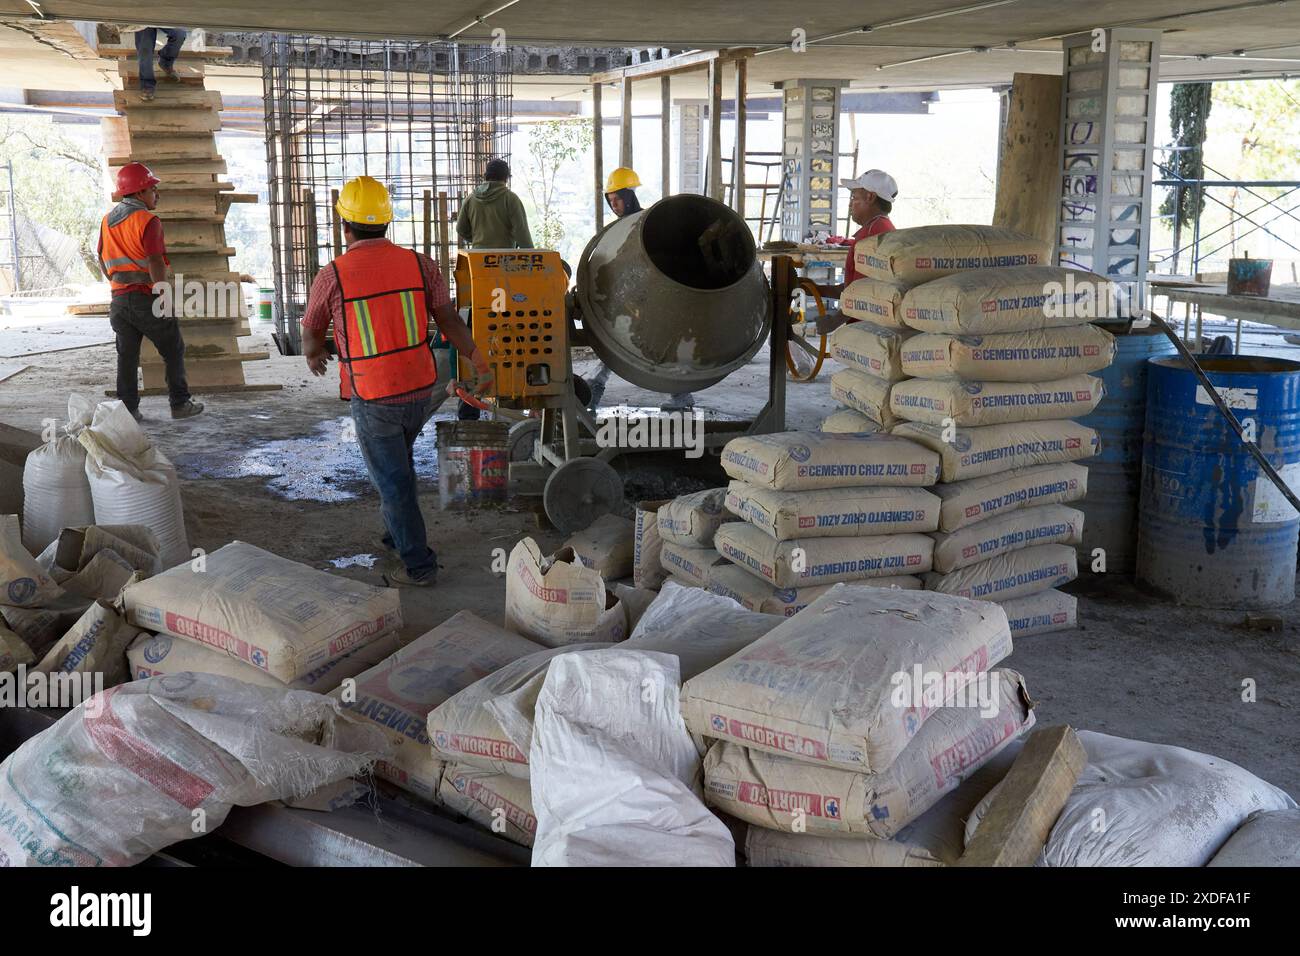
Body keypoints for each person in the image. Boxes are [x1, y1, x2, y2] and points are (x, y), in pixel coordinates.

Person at [301, 176, 490, 589]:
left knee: (393, 480)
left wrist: (315, 353)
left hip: (374, 396)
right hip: (421, 390)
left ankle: (418, 565)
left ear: (343, 226)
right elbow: (450, 319)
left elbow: (312, 329)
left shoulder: (332, 274)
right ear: (388, 223)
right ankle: (395, 533)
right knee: (397, 465)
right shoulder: (420, 264)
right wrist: (477, 358)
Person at [97, 162, 203, 423]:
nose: (157, 194)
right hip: (146, 298)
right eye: (153, 189)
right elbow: (155, 261)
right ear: (140, 191)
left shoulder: (107, 220)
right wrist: (164, 295)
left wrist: (117, 281)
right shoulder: (148, 220)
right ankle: (180, 404)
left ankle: (128, 411)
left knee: (127, 356)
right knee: (173, 348)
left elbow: (100, 257)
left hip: (119, 302)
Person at [818, 169, 899, 301]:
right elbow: (851, 288)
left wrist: (833, 321)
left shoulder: (872, 236)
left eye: (854, 198)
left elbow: (861, 294)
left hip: (863, 320)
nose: (850, 204)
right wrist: (811, 288)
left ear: (870, 197)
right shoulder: (879, 228)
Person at [455, 158, 533, 250]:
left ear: (486, 176)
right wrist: (533, 256)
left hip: (476, 257)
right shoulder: (510, 199)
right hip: (504, 258)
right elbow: (521, 233)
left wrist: (478, 240)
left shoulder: (470, 199)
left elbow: (461, 229)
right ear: (506, 178)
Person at [129, 27, 189, 102]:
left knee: (179, 34)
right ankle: (147, 84)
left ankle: (165, 62)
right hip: (143, 19)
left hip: (164, 16)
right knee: (145, 49)